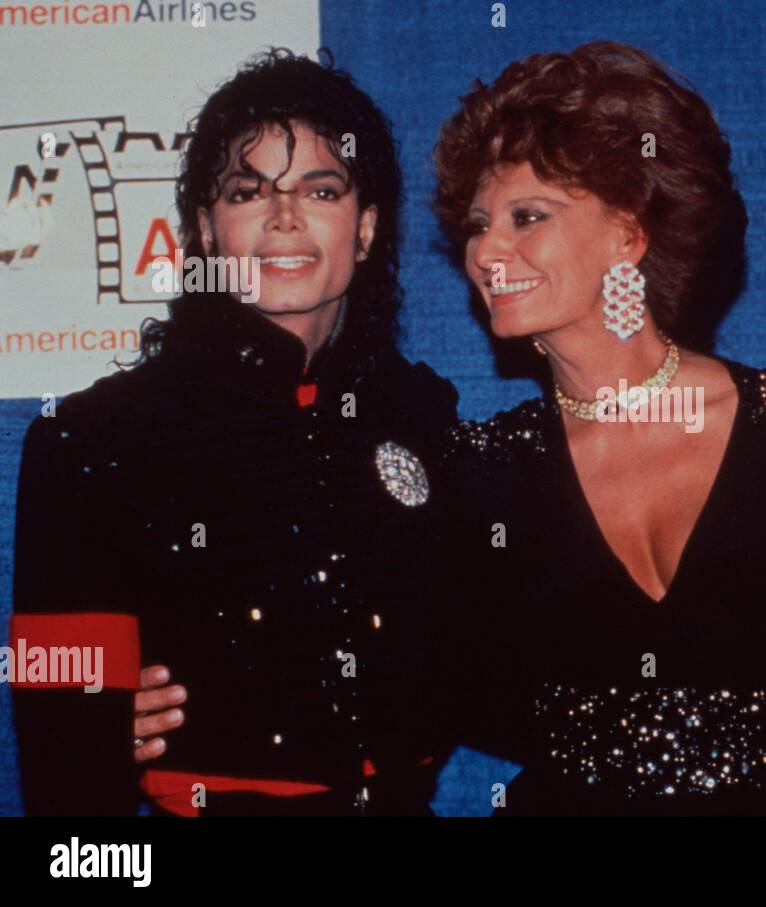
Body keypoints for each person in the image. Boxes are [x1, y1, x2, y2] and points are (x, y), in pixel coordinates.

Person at [427, 41, 766, 816]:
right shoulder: (480, 474)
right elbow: (395, 677)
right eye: (477, 225)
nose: (485, 252)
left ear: (628, 235)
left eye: (526, 216)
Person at [11, 49, 459, 815]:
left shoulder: (427, 419)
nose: (285, 217)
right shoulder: (92, 440)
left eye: (321, 189)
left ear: (367, 228)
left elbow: (500, 663)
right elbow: (67, 799)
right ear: (206, 232)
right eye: (249, 191)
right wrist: (89, 730)